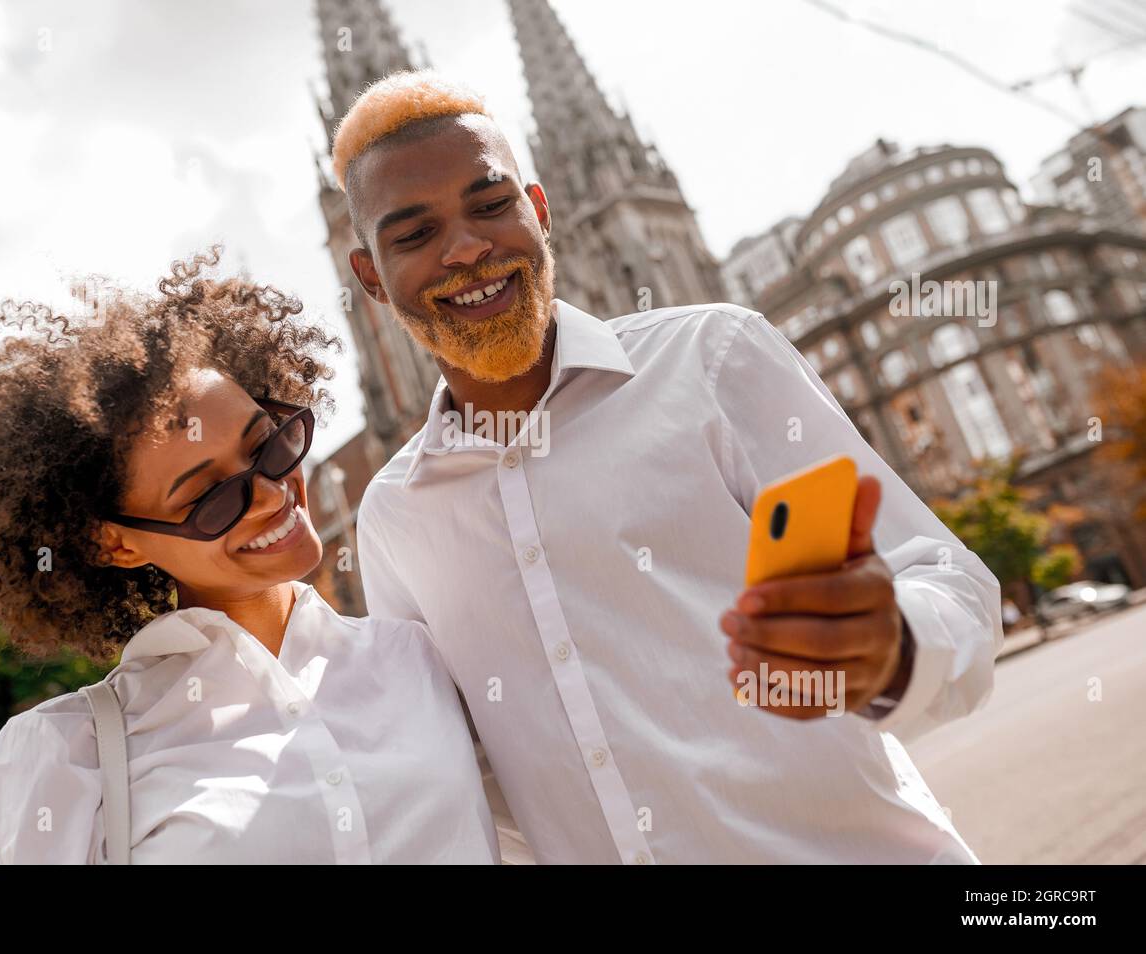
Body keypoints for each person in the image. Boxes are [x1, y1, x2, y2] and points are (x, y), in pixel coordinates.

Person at [334, 71, 1005, 864]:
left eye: (490, 205)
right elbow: (463, 786)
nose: (467, 248)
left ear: (539, 211)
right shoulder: (393, 519)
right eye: (413, 234)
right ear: (372, 276)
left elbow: (944, 580)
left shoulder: (713, 359)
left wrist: (889, 642)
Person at [0, 249, 498, 863]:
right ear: (114, 542)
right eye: (208, 495)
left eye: (267, 445)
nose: (270, 493)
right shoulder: (76, 752)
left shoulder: (423, 657)